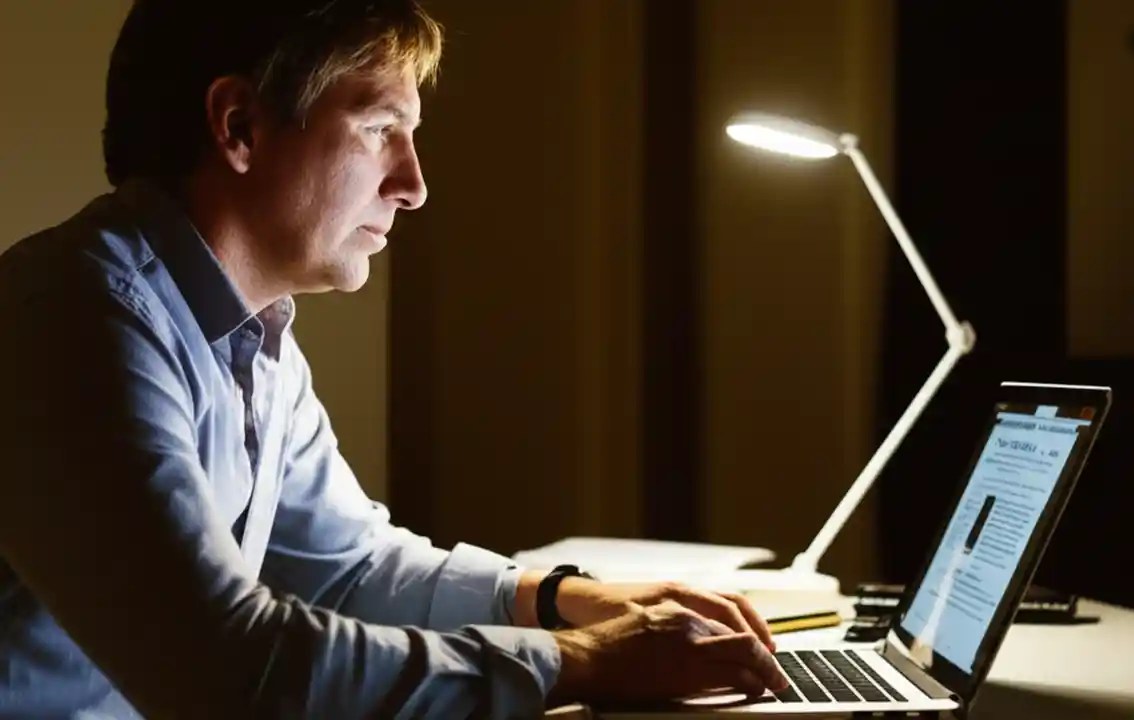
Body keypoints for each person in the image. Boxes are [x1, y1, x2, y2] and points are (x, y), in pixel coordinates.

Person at [0, 1, 787, 717]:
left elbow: (349, 568)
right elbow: (235, 673)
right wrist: (578, 661)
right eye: (380, 129)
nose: (413, 185)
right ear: (238, 126)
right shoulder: (75, 323)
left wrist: (564, 600)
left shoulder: (245, 331)